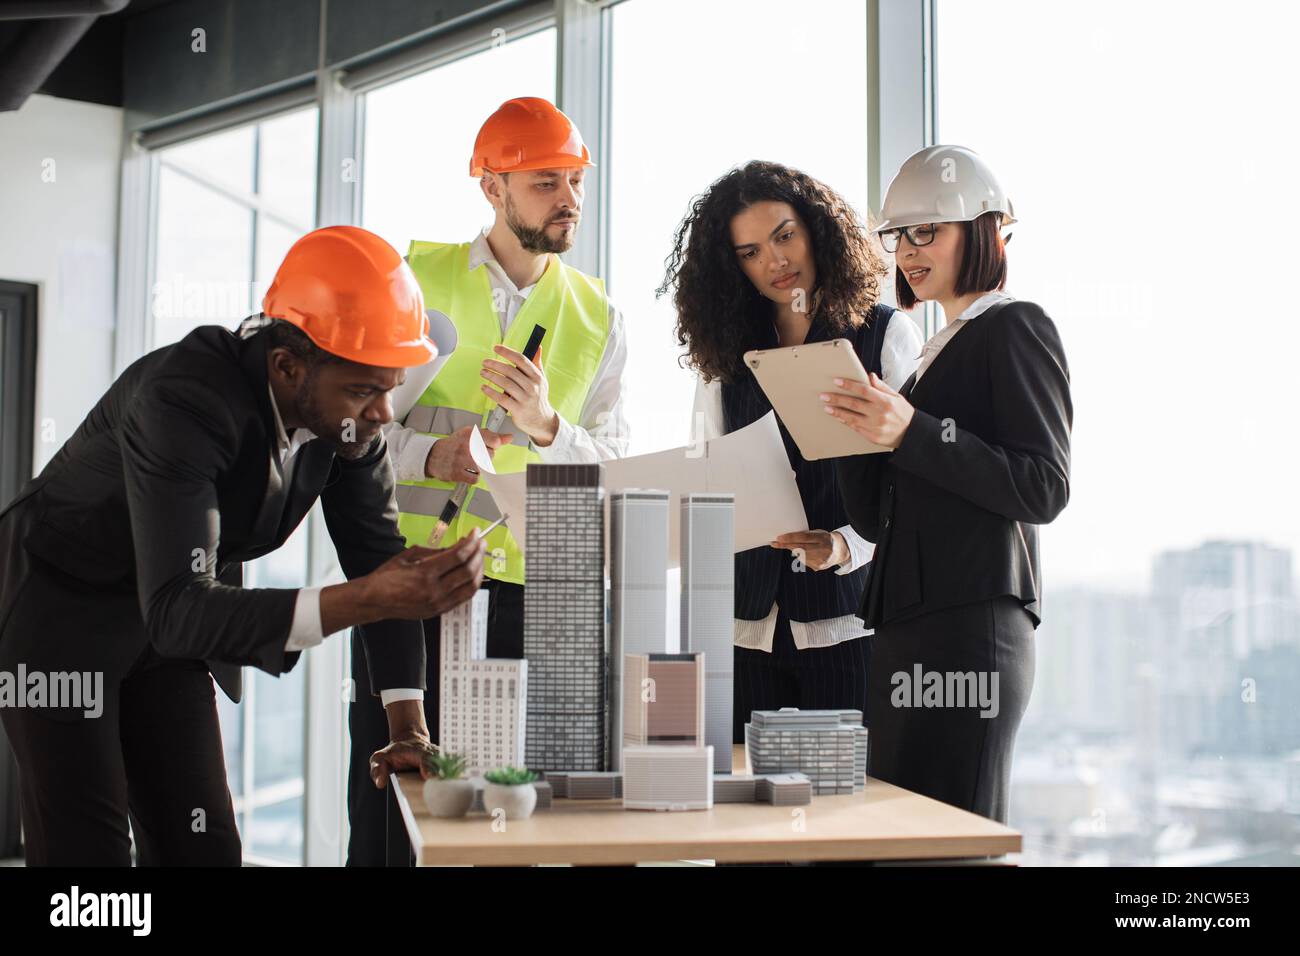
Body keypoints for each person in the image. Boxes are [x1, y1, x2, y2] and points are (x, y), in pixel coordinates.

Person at [0, 226, 487, 865]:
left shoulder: (348, 424)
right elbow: (179, 603)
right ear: (288, 366)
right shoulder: (182, 399)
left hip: (176, 623)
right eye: (367, 390)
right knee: (88, 866)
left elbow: (376, 555)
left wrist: (409, 728)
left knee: (203, 849)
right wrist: (365, 598)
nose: (383, 413)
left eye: (390, 386)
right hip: (65, 613)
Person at [346, 97, 630, 865]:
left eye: (574, 181)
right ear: (492, 188)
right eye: (546, 182)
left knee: (512, 821)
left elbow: (610, 469)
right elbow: (355, 431)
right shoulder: (415, 280)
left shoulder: (599, 315)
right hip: (415, 584)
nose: (569, 199)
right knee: (392, 816)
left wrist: (545, 426)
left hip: (536, 600)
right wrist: (433, 460)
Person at [829, 145, 1073, 824]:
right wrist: (854, 435)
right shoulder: (927, 359)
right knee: (904, 835)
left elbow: (1044, 484)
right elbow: (881, 522)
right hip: (907, 627)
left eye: (927, 231)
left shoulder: (1015, 327)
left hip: (972, 629)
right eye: (900, 235)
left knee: (950, 833)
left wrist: (911, 431)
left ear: (985, 231)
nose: (908, 250)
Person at [660, 160, 922, 742]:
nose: (774, 262)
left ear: (817, 229)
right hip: (738, 630)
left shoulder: (886, 334)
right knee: (741, 812)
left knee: (842, 809)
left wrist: (844, 546)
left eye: (784, 236)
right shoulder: (724, 354)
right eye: (749, 252)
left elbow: (915, 486)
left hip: (846, 626)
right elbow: (707, 477)